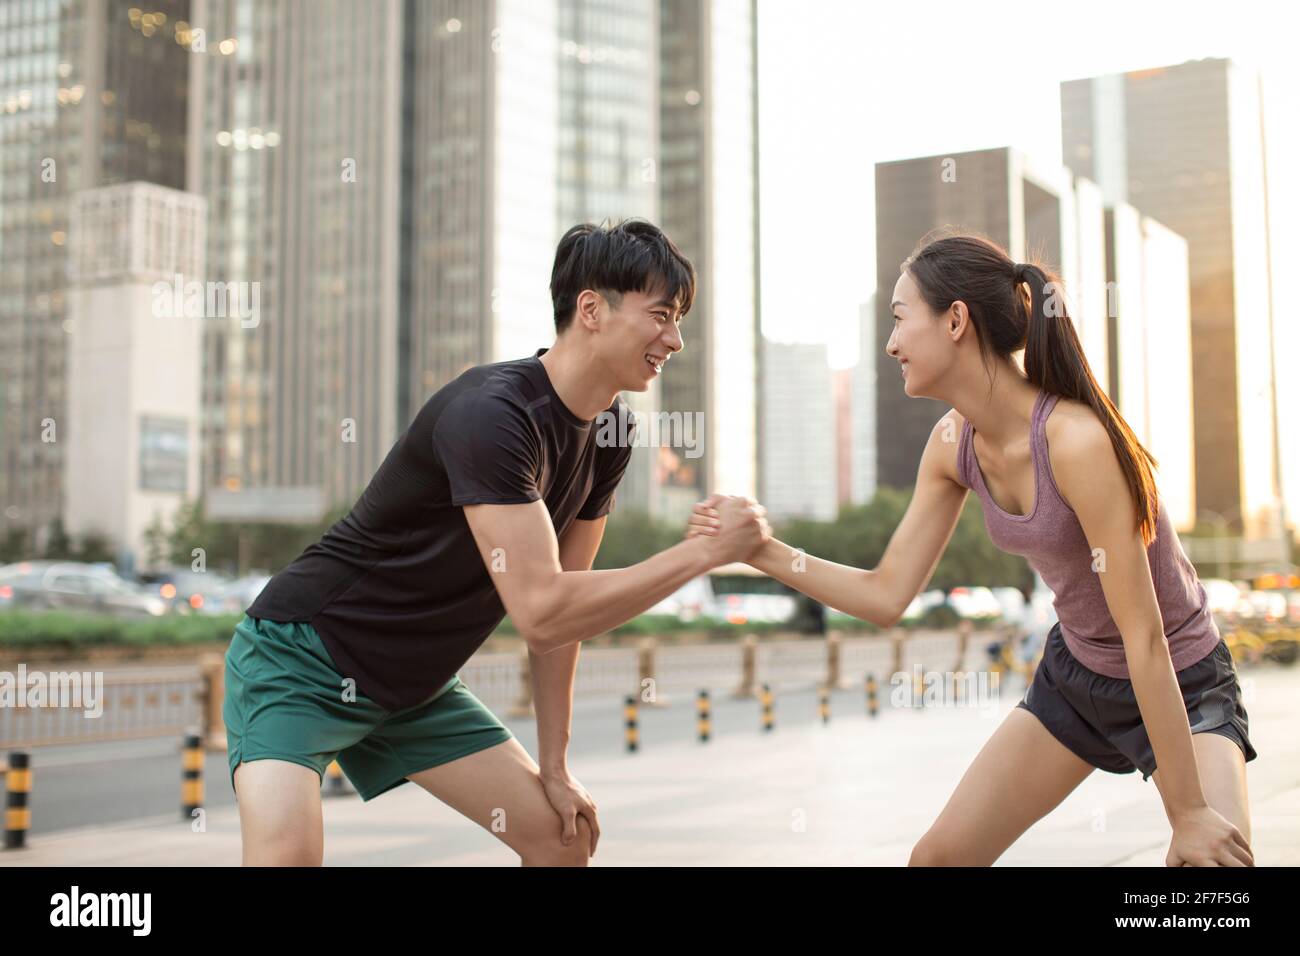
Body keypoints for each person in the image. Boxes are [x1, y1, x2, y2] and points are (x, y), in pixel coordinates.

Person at [688, 230, 1256, 867]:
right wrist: (761, 550)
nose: (891, 342)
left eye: (901, 319)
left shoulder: (1074, 440)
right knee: (936, 862)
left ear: (956, 320)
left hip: (1180, 678)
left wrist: (1187, 816)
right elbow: (885, 595)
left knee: (1214, 882)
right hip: (1076, 681)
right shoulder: (951, 444)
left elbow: (1144, 635)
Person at [225, 219, 770, 866]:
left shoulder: (611, 434)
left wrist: (556, 765)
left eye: (678, 320)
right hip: (301, 660)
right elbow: (541, 607)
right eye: (660, 315)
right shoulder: (493, 415)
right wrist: (701, 553)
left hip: (412, 687)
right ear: (591, 309)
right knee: (287, 857)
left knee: (564, 838)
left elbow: (564, 619)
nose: (674, 340)